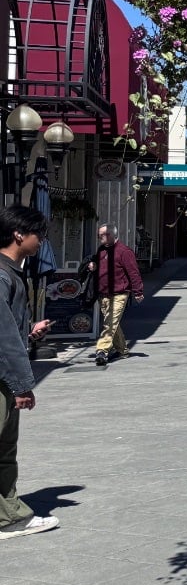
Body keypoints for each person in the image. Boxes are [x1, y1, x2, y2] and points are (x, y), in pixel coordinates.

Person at [1, 204, 58, 539]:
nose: (41, 242)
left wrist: (27, 334)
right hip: (3, 377)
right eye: (39, 235)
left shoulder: (10, 272)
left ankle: (8, 514)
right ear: (18, 234)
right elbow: (2, 336)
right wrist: (23, 385)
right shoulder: (3, 274)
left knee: (5, 449)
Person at [85, 223, 145, 367]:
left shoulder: (124, 252)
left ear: (111, 235)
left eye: (101, 235)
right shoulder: (101, 250)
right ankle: (122, 350)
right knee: (112, 322)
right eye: (99, 235)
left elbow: (133, 272)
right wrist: (93, 265)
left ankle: (102, 350)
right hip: (104, 293)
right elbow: (99, 264)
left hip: (120, 293)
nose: (99, 238)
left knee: (110, 321)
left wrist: (138, 291)